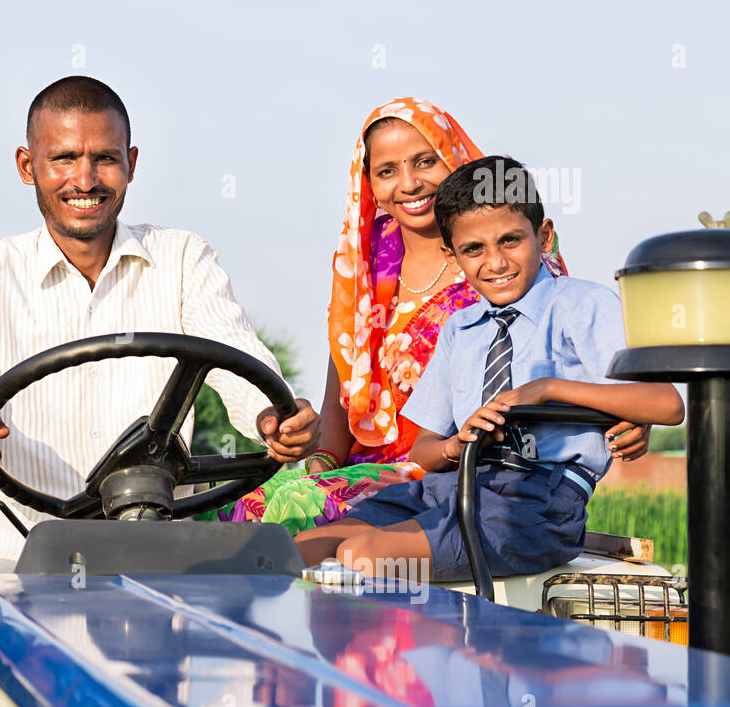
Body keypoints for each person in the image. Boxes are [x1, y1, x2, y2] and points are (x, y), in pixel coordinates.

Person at [0, 75, 320, 572]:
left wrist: (272, 418)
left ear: (131, 164)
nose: (85, 180)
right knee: (13, 613)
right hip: (15, 545)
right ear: (27, 165)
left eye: (105, 158)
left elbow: (234, 351)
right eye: (63, 158)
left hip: (156, 544)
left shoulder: (183, 257)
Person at [232, 98, 645, 530]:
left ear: (454, 161)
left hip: (469, 471)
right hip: (369, 469)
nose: (408, 184)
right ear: (368, 184)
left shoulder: (502, 262)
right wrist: (318, 467)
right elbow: (342, 384)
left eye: (425, 161)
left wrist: (633, 419)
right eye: (387, 171)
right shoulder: (364, 265)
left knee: (289, 517)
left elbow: (579, 359)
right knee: (238, 506)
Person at [293, 156, 684, 581]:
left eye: (510, 241)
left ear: (545, 236)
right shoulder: (461, 328)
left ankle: (430, 641)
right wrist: (454, 446)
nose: (495, 262)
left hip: (536, 500)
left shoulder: (581, 304)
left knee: (363, 556)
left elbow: (666, 404)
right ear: (452, 253)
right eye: (474, 249)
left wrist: (546, 390)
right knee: (304, 548)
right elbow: (424, 447)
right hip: (455, 482)